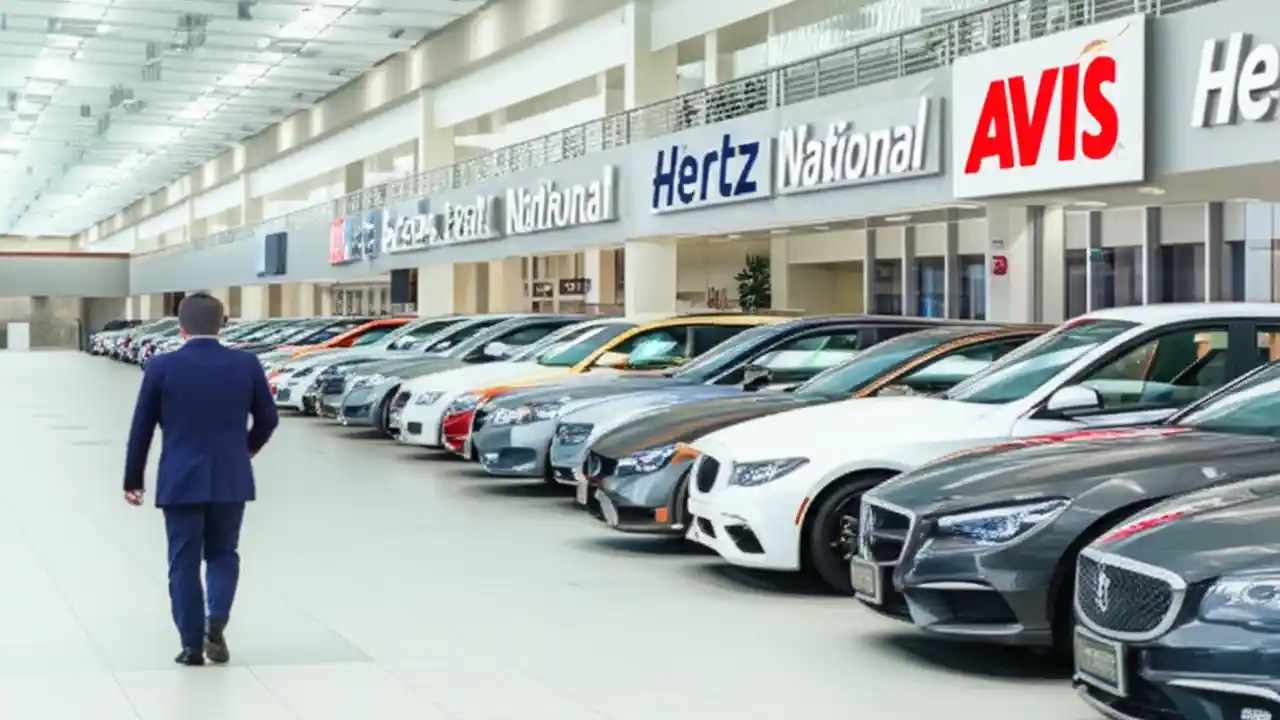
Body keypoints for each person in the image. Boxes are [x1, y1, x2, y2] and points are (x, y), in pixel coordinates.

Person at [123, 292, 279, 666]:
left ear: (181, 328)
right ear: (222, 324)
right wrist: (247, 449)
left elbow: (141, 427)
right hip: (231, 478)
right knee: (224, 553)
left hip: (180, 480)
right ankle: (217, 620)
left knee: (183, 562)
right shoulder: (246, 364)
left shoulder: (161, 367)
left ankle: (192, 646)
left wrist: (133, 479)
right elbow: (269, 418)